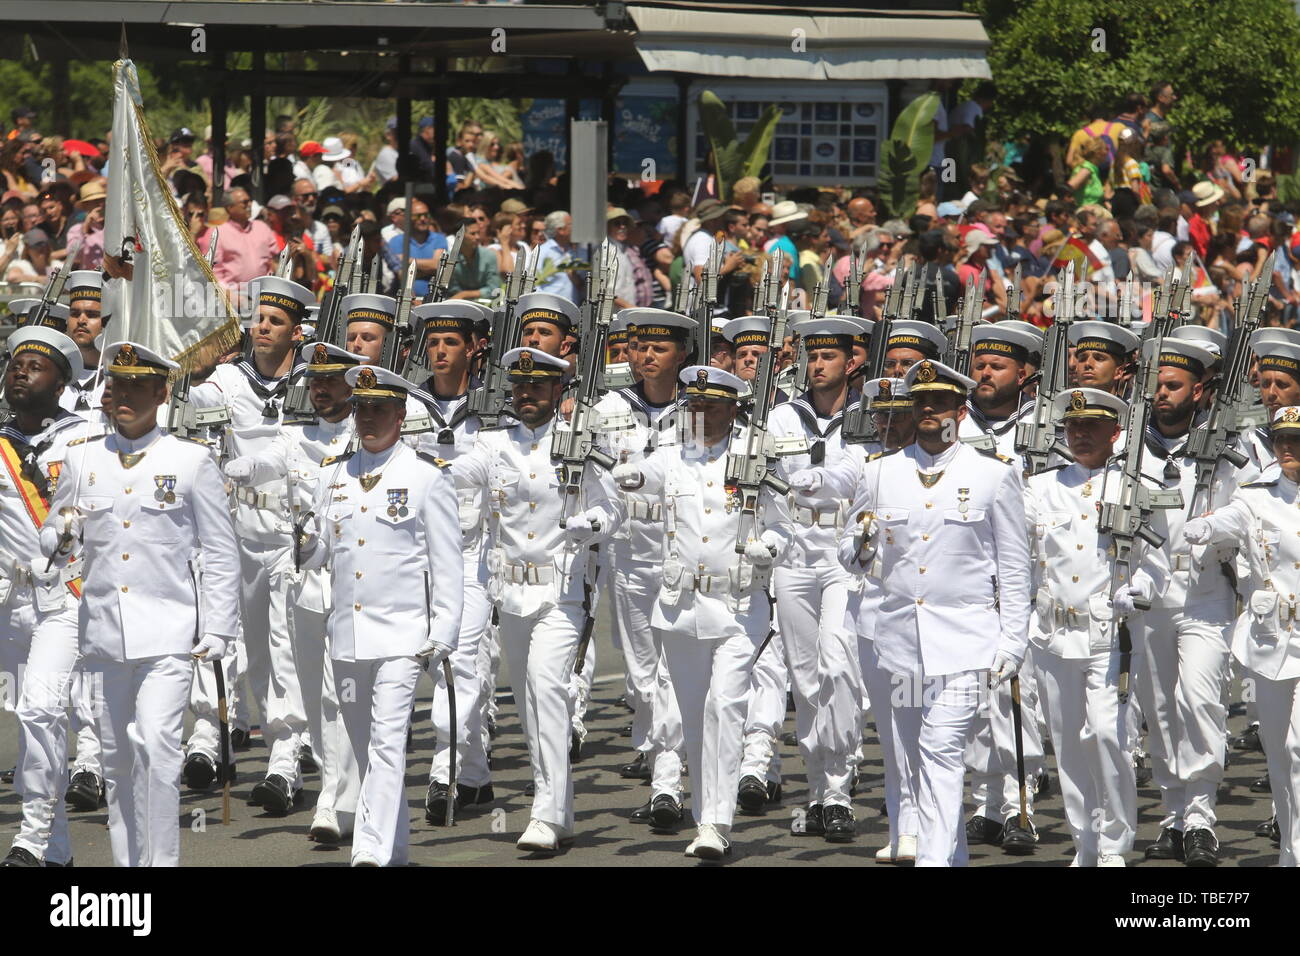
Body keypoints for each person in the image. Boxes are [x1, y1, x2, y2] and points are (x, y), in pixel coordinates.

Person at [41, 341, 240, 866]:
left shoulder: (191, 460)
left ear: (161, 392)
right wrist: (58, 535)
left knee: (156, 747)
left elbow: (221, 552)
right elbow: (54, 535)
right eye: (115, 385)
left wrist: (219, 628)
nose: (121, 395)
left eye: (135, 386)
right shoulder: (82, 457)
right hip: (104, 634)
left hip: (169, 634)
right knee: (117, 759)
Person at [833, 358, 1030, 866]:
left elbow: (1013, 567)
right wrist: (859, 545)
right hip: (899, 642)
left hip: (966, 641)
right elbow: (851, 554)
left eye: (939, 402)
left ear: (959, 412)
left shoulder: (991, 476)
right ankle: (951, 856)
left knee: (941, 750)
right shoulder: (880, 474)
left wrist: (1013, 641)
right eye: (920, 402)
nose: (927, 410)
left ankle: (933, 861)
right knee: (922, 757)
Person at [610, 365, 792, 860]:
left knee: (725, 706)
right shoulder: (673, 452)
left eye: (711, 406)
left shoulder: (755, 455)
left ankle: (717, 821)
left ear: (732, 408)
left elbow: (784, 524)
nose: (700, 414)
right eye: (693, 405)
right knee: (692, 717)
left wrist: (767, 547)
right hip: (680, 605)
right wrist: (628, 474)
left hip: (737, 607)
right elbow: (648, 474)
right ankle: (702, 818)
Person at [449, 346, 618, 852]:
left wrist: (592, 524)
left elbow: (613, 508)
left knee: (547, 688)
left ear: (556, 391)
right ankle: (558, 807)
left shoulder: (579, 442)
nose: (526, 396)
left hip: (561, 592)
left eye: (537, 387)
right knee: (527, 703)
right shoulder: (492, 442)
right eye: (520, 387)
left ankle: (544, 814)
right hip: (511, 592)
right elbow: (458, 472)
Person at [293, 363, 462, 866]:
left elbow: (446, 564)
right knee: (367, 751)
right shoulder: (333, 474)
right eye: (361, 407)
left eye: (379, 408)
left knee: (389, 745)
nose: (368, 417)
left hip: (403, 636)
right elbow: (323, 554)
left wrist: (444, 634)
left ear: (400, 412)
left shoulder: (426, 476)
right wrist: (304, 545)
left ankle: (367, 851)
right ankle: (396, 851)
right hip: (347, 635)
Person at [186, 276, 318, 810]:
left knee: (283, 648)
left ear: (297, 333)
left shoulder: (316, 380)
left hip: (292, 535)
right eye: (258, 319)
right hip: (235, 529)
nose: (262, 328)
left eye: (275, 322)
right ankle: (207, 734)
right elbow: (178, 393)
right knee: (219, 634)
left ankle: (285, 759)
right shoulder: (223, 379)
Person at [1025, 386, 1169, 866]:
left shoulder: (1134, 486)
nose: (1081, 434)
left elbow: (1158, 561)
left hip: (1109, 635)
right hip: (1051, 633)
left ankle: (1113, 845)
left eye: (1092, 427)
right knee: (1066, 746)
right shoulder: (1039, 487)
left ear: (1116, 432)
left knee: (1107, 736)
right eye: (1073, 426)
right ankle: (1084, 843)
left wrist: (1140, 588)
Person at [1136, 337, 1237, 867]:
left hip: (1205, 594)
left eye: (1173, 386)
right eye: (1156, 385)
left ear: (1198, 391)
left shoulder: (1224, 447)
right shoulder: (1133, 446)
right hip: (1151, 594)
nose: (1161, 395)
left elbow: (1247, 512)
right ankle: (1173, 814)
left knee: (1199, 701)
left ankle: (1201, 817)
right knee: (1160, 710)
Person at [593, 310, 696, 828]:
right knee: (640, 673)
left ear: (682, 353)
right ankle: (662, 756)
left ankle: (667, 781)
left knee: (672, 668)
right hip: (630, 550)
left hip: (682, 552)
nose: (646, 355)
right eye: (638, 346)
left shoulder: (701, 407)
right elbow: (591, 475)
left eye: (659, 347)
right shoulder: (607, 408)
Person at [1185, 405, 1300, 866]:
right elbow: (1228, 519)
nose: (1288, 448)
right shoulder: (1256, 496)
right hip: (1271, 641)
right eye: (1281, 440)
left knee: (1298, 748)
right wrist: (1202, 526)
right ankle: (1291, 852)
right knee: (1278, 755)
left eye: (1298, 440)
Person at [0, 327, 95, 868]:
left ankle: (31, 838)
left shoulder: (85, 439)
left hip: (67, 599)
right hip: (11, 602)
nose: (20, 372)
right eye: (15, 364)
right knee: (30, 719)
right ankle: (55, 851)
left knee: (41, 707)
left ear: (60, 382)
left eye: (35, 366)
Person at [769, 318, 863, 842]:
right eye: (813, 355)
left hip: (844, 557)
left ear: (851, 362)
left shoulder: (868, 417)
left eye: (830, 355)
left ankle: (840, 790)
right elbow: (763, 482)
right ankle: (815, 790)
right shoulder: (782, 415)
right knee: (804, 679)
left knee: (837, 664)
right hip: (794, 554)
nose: (818, 364)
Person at [407, 300, 498, 824]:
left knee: (460, 661)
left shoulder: (493, 408)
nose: (439, 352)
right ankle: (476, 775)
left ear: (472, 348)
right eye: (434, 343)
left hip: (473, 553)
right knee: (429, 659)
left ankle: (444, 770)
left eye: (451, 343)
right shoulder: (407, 404)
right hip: (417, 553)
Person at [60, 270, 112, 414]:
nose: (81, 320)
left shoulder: (120, 380)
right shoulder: (53, 376)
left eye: (92, 315)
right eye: (75, 314)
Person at [386, 199, 448, 300]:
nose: (423, 219)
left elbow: (437, 266)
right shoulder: (396, 241)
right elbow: (400, 272)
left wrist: (408, 261)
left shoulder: (439, 238)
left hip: (433, 300)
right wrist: (429, 269)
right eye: (418, 216)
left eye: (426, 215)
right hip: (406, 299)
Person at [536, 210, 579, 301]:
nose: (575, 228)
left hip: (574, 311)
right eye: (570, 224)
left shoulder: (574, 251)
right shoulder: (543, 252)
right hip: (550, 311)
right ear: (560, 230)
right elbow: (534, 284)